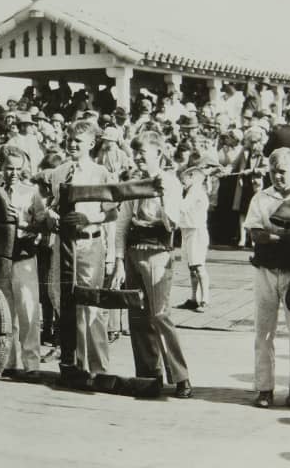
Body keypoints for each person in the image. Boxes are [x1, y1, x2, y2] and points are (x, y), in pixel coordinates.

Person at [110, 131, 192, 398]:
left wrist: (160, 194)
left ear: (158, 153)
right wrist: (119, 261)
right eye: (135, 153)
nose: (137, 158)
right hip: (133, 253)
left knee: (159, 315)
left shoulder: (169, 182)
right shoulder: (134, 183)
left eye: (142, 153)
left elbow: (172, 221)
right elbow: (122, 224)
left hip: (158, 253)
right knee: (137, 316)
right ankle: (149, 375)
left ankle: (181, 376)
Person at [45, 121, 120, 375]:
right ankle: (75, 364)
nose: (72, 145)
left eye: (78, 141)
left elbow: (112, 214)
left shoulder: (101, 174)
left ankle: (99, 369)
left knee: (91, 304)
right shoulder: (59, 172)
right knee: (65, 301)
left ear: (90, 144)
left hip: (89, 241)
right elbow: (54, 205)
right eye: (69, 140)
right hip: (64, 244)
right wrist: (51, 216)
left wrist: (90, 218)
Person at [243, 147, 290, 408]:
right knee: (264, 331)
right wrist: (289, 236)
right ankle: (265, 388)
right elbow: (257, 234)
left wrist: (277, 234)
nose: (277, 177)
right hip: (266, 270)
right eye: (273, 171)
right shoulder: (260, 197)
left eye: (282, 172)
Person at [0, 146, 46, 378]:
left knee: (28, 310)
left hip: (24, 256)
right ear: (1, 167)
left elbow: (44, 225)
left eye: (18, 168)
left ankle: (32, 364)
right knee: (5, 313)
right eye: (9, 168)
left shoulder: (31, 193)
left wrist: (24, 224)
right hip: (0, 258)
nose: (14, 173)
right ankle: (9, 362)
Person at [174, 158, 212, 311]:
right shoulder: (191, 190)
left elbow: (182, 207)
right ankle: (193, 298)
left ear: (191, 176)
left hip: (196, 232)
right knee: (192, 267)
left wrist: (173, 195)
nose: (181, 183)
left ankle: (205, 300)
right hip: (188, 230)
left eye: (183, 180)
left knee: (198, 267)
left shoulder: (195, 190)